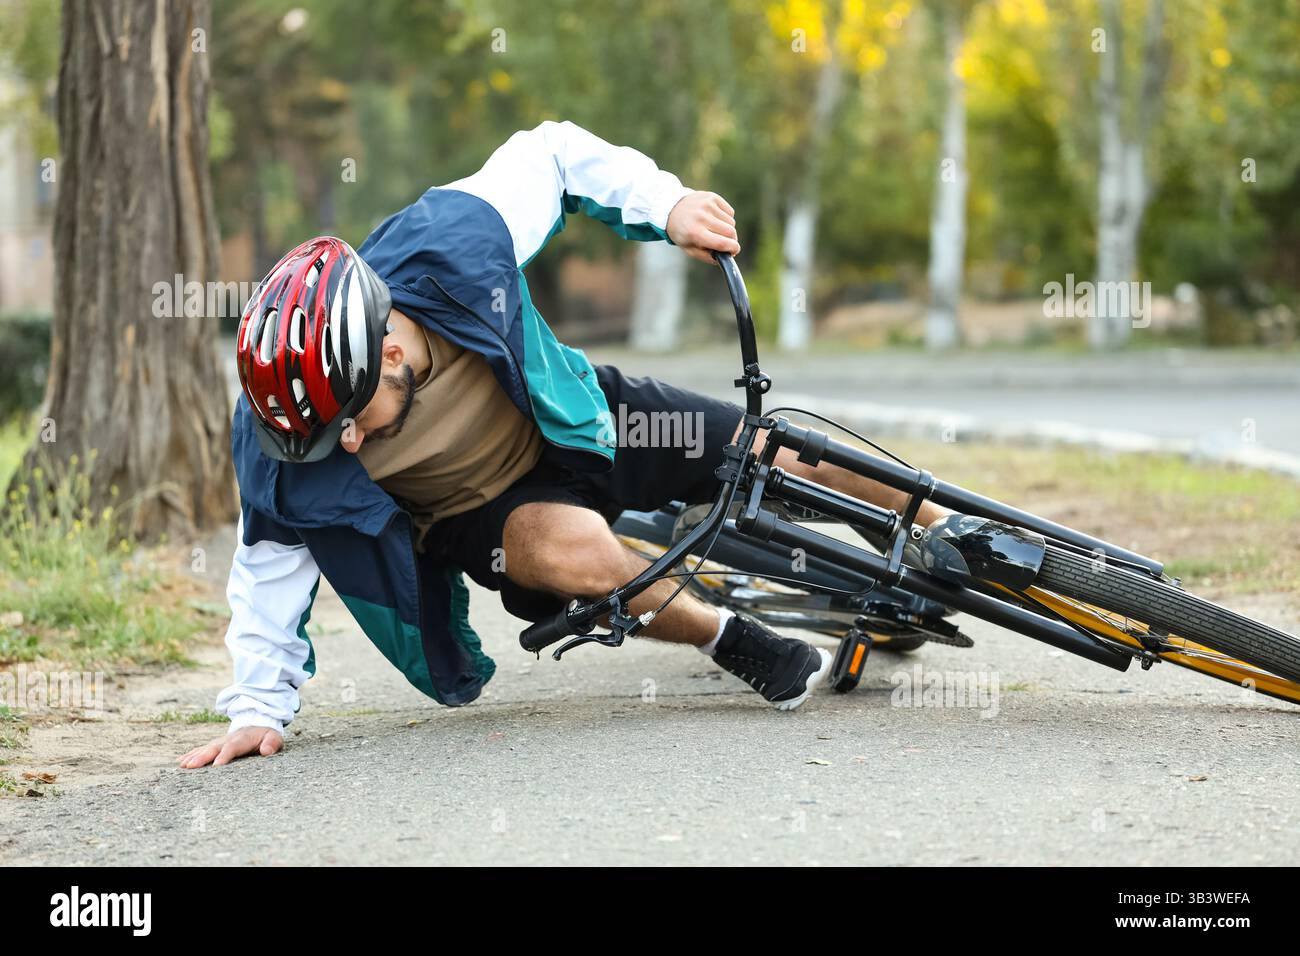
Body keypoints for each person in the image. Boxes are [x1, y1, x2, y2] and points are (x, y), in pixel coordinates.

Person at [180, 121, 947, 769]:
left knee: (774, 451)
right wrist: (257, 707)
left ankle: (949, 526)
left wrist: (668, 205)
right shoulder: (286, 432)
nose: (342, 446)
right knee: (569, 550)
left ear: (387, 350)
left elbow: (552, 153)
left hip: (573, 418)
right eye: (321, 436)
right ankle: (730, 638)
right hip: (482, 510)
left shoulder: (447, 245)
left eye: (350, 419)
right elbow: (268, 571)